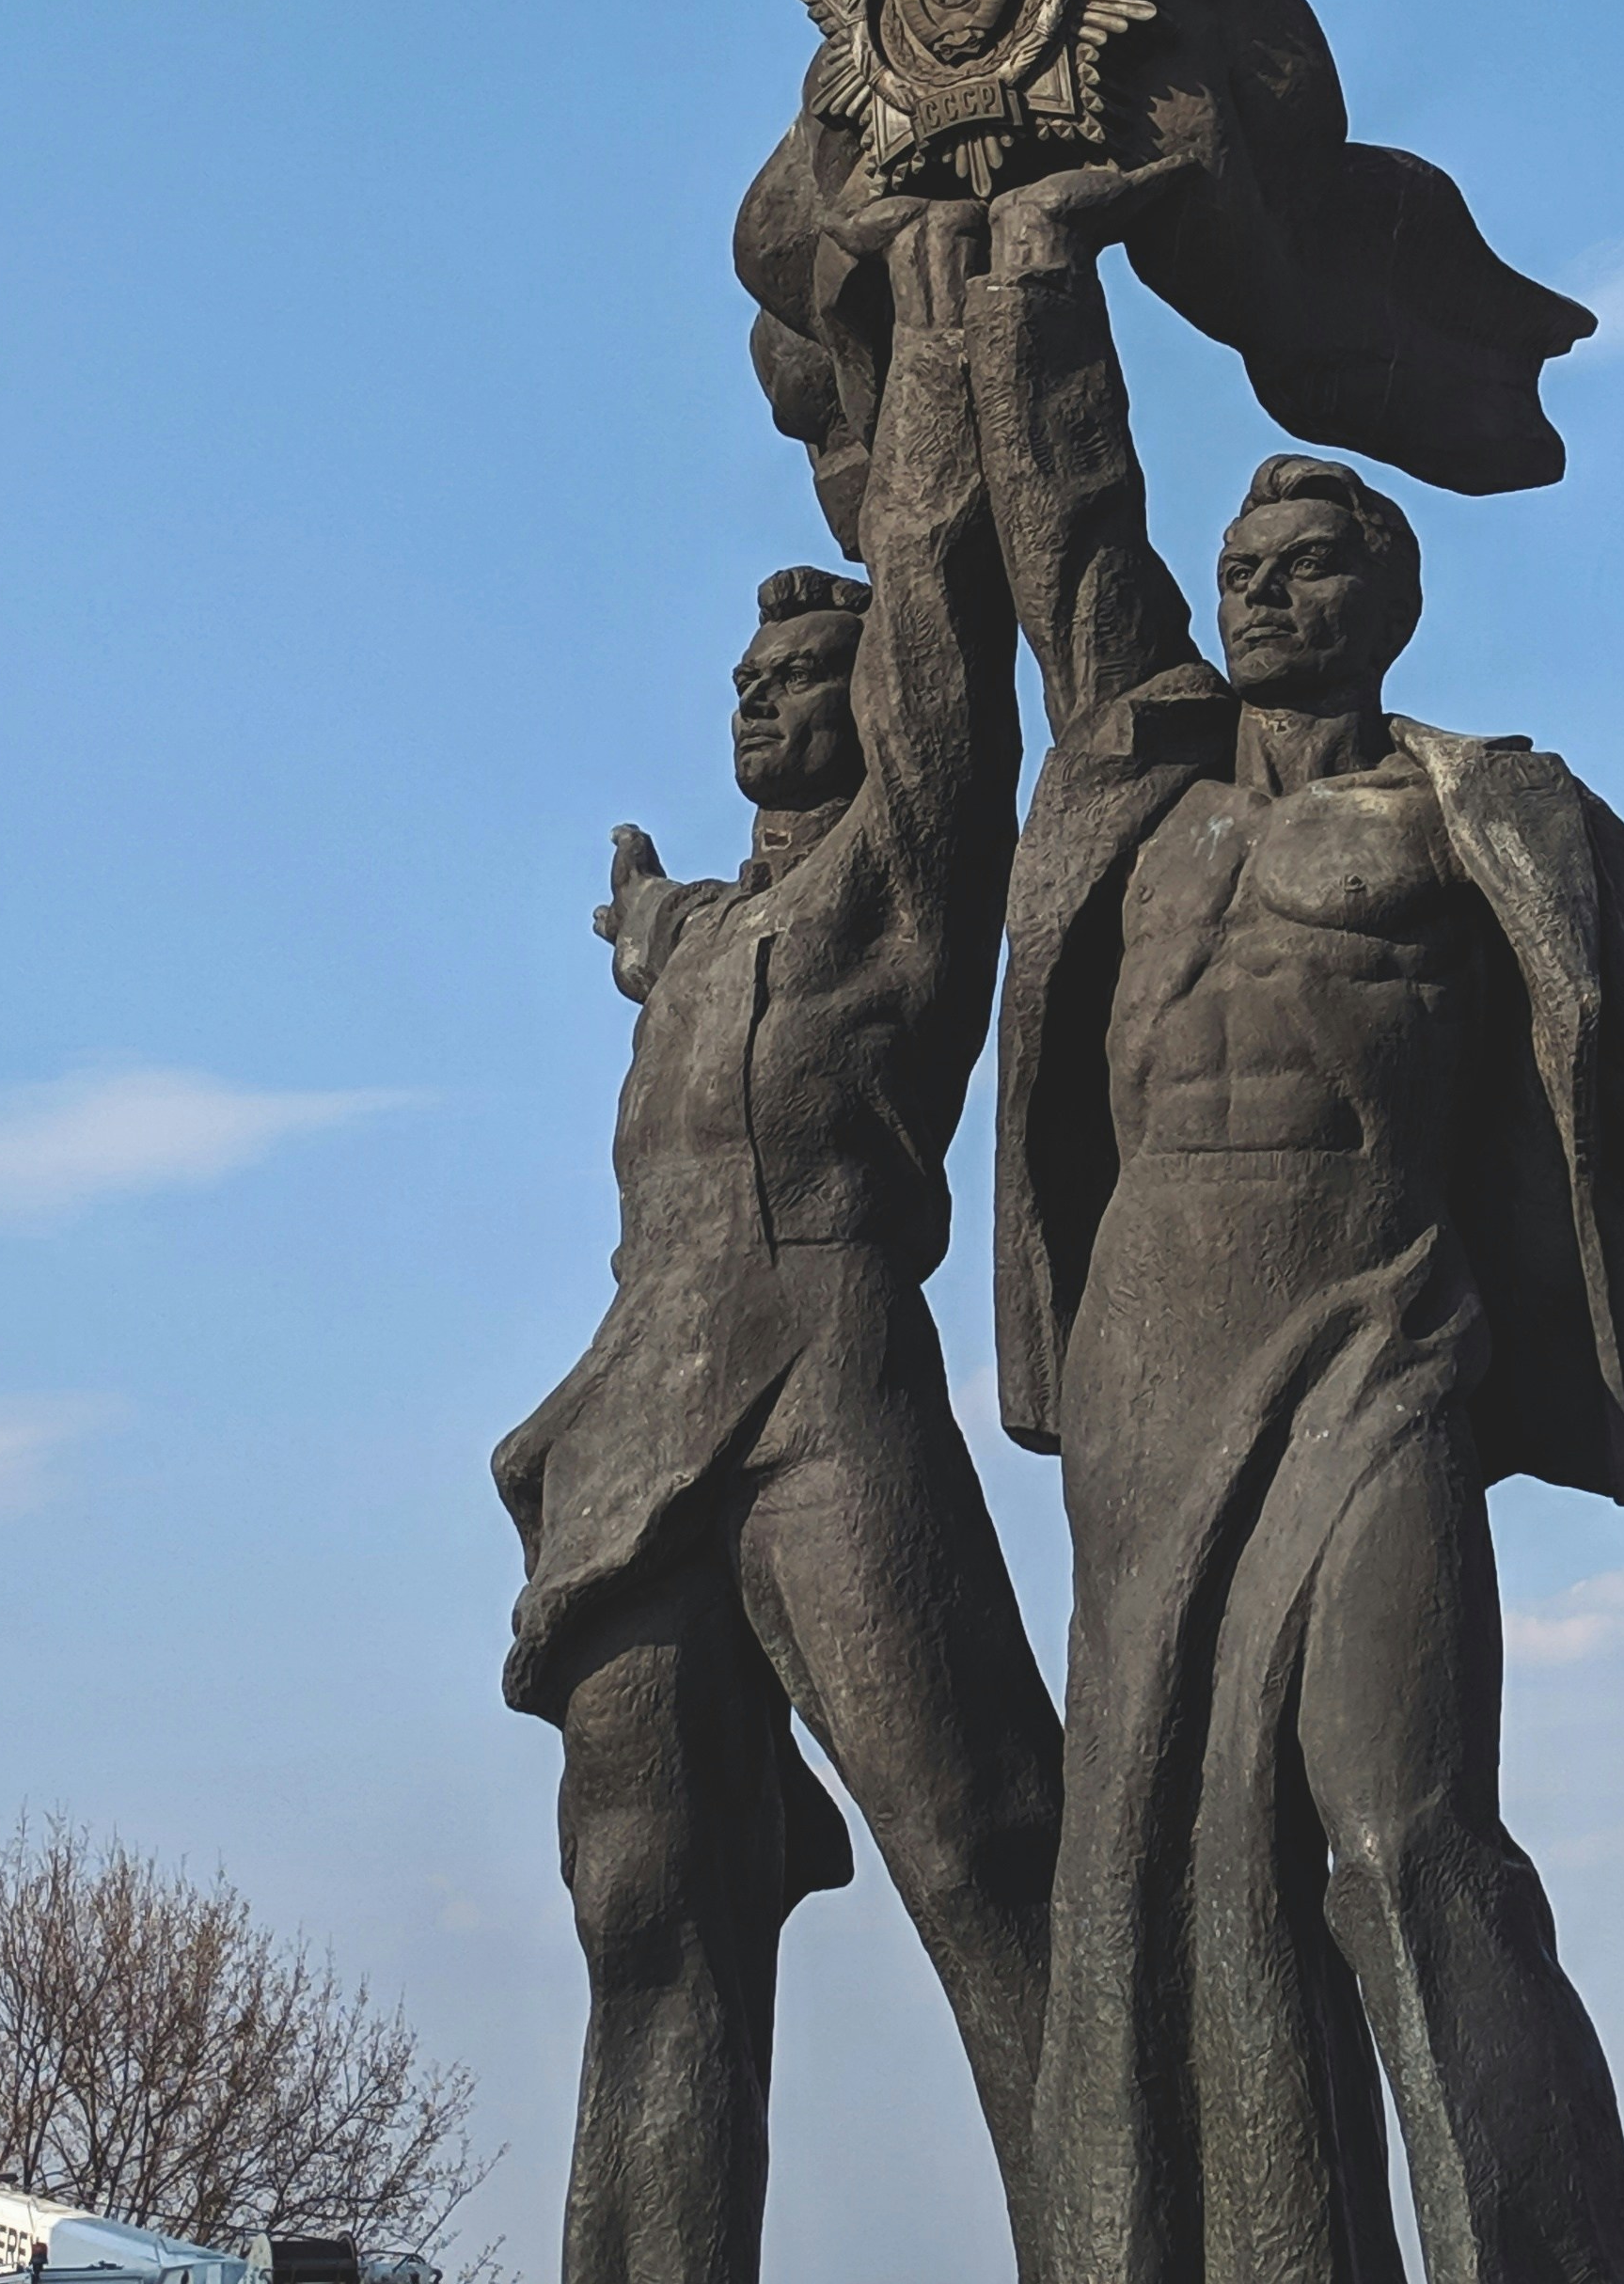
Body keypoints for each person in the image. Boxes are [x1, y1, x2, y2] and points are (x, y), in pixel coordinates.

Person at [960, 162, 1624, 2284]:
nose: (1263, 594)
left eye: (1308, 565)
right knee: (1162, 1868)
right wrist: (1039, 267)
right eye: (1241, 569)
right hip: (1143, 1372)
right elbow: (1069, 516)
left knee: (1400, 1832)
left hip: (1375, 1340)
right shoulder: (1138, 776)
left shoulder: (1494, 814)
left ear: (1389, 598)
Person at [493, 203, 1060, 2284]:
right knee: (647, 1909)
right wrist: (645, 912)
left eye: (797, 679)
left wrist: (934, 355)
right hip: (638, 1429)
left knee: (984, 1855)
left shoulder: (898, 892)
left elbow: (942, 638)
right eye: (740, 681)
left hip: (829, 1393)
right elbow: (666, 939)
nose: (756, 700)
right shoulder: (707, 938)